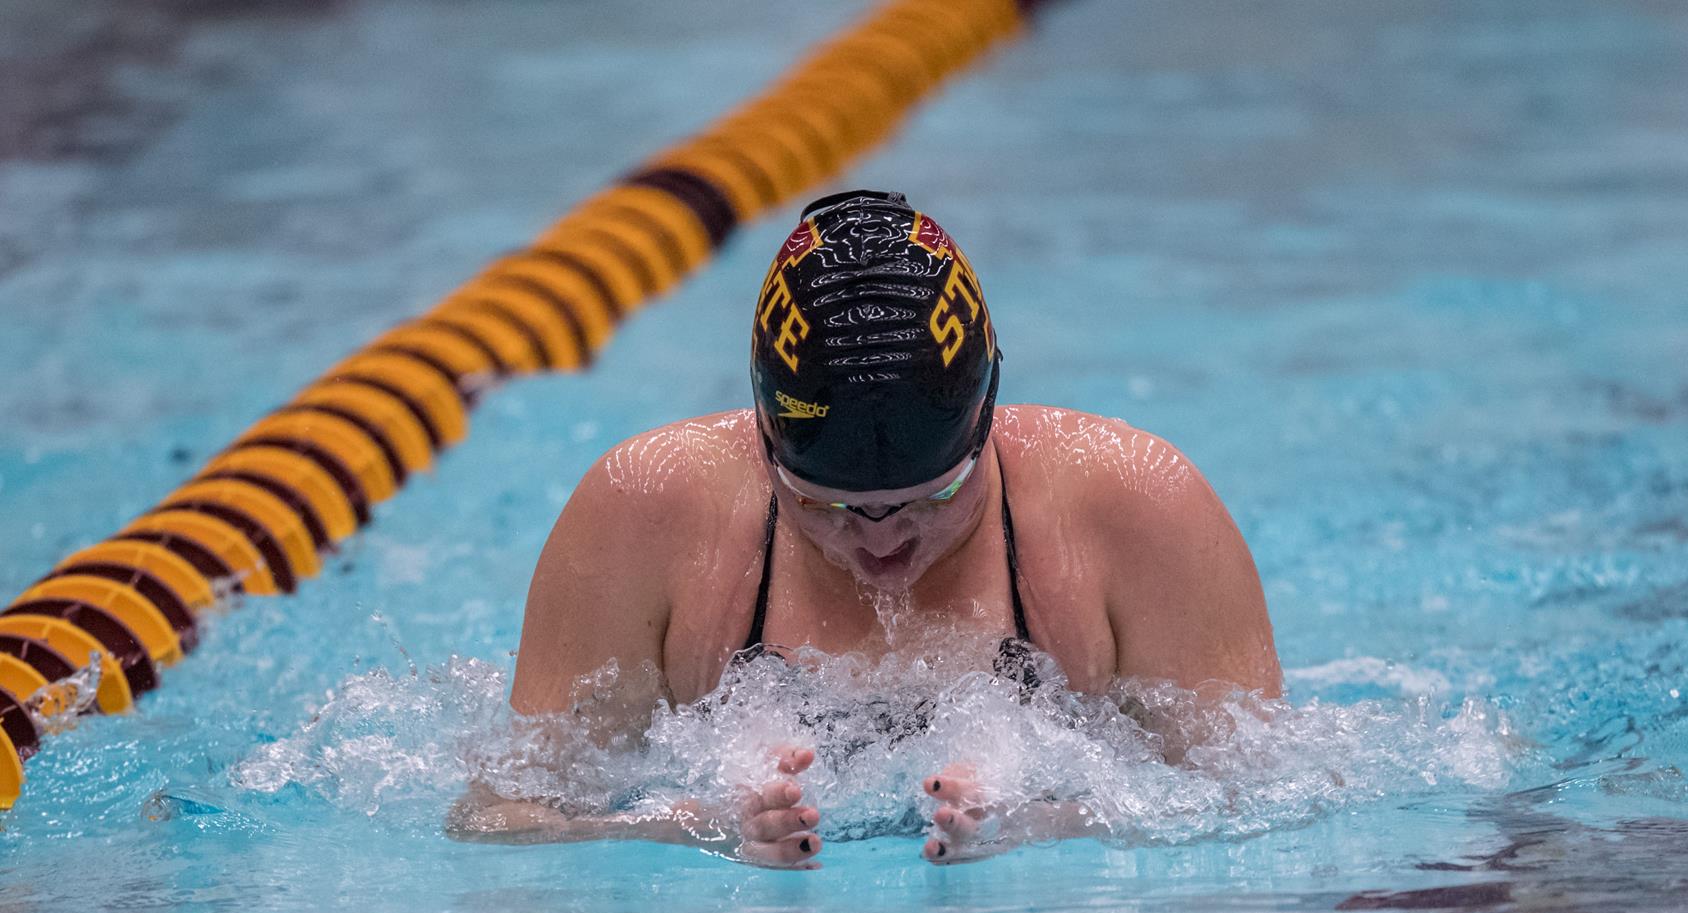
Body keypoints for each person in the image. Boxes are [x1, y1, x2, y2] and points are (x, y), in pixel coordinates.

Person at [450, 189, 1279, 866]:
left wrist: (1044, 823)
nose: (882, 541)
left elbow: (1268, 805)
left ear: (990, 421)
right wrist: (688, 829)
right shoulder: (647, 511)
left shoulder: (1134, 504)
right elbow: (496, 823)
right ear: (764, 440)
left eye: (933, 497)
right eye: (828, 507)